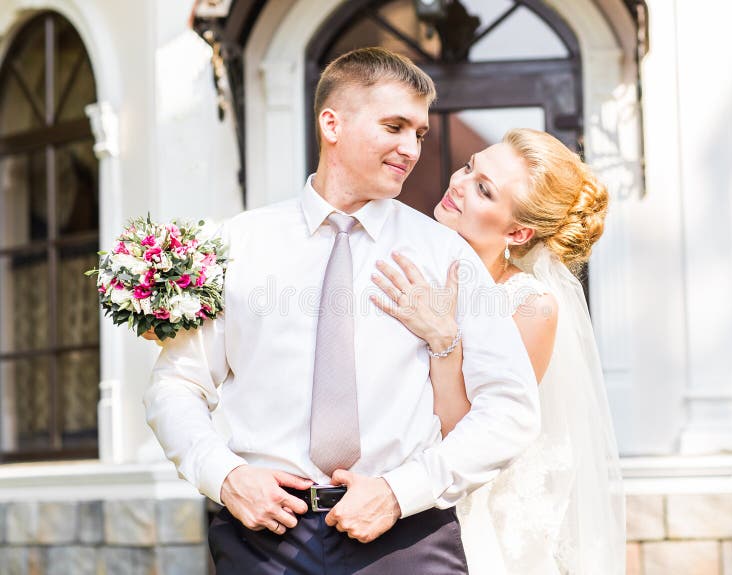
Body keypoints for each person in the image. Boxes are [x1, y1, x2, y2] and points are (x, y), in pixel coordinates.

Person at [144, 47, 540, 574]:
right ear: (332, 123)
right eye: (394, 126)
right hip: (263, 539)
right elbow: (176, 385)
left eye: (418, 134)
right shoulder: (236, 244)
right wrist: (223, 475)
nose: (411, 149)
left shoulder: (446, 255)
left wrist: (402, 491)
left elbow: (511, 409)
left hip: (408, 541)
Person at [371, 128, 626, 574]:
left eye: (483, 190)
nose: (459, 183)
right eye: (470, 167)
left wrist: (442, 339)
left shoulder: (528, 308)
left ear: (518, 230)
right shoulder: (410, 262)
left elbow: (466, 431)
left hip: (469, 520)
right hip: (381, 507)